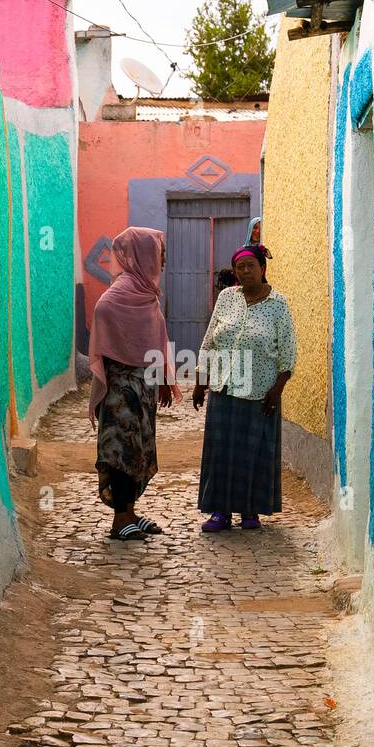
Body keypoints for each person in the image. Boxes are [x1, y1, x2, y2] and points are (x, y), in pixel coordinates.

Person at [192, 240, 296, 531]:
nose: (246, 271)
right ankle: (220, 512)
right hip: (224, 387)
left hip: (260, 391)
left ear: (263, 269)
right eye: (240, 267)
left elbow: (288, 353)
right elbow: (210, 340)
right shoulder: (227, 297)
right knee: (221, 452)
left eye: (251, 266)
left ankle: (251, 511)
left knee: (254, 451)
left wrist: (277, 390)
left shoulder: (278, 304)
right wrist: (201, 382)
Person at [88, 227, 177, 541]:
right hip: (122, 395)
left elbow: (155, 338)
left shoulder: (145, 291)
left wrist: (163, 378)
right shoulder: (119, 293)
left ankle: (130, 513)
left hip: (143, 391)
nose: (162, 260)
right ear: (142, 255)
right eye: (158, 254)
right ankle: (119, 520)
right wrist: (121, 364)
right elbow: (102, 315)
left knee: (139, 450)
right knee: (122, 452)